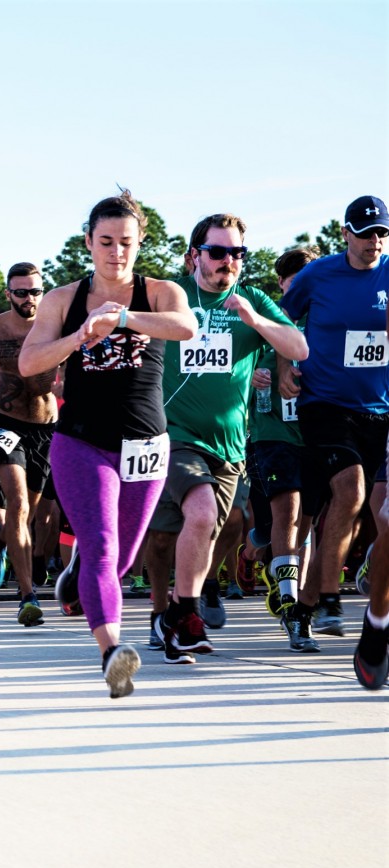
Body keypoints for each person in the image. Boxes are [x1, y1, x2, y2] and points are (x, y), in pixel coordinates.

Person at [17, 191, 197, 697]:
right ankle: (112, 651)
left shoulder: (159, 291)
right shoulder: (62, 299)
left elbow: (186, 327)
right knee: (100, 545)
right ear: (88, 243)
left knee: (119, 561)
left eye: (126, 243)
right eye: (105, 242)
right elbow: (31, 363)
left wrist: (121, 319)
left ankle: (81, 578)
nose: (116, 252)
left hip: (145, 444)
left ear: (140, 244)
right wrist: (79, 337)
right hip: (82, 442)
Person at [143, 214, 306, 662]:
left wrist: (255, 320)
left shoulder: (251, 300)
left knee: (200, 529)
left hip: (230, 444)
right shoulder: (172, 295)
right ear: (196, 255)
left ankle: (170, 617)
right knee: (182, 522)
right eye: (218, 252)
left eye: (237, 253)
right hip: (172, 434)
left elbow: (299, 348)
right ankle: (180, 616)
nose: (228, 261)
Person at [279, 195, 389, 643]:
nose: (374, 241)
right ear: (345, 233)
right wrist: (284, 365)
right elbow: (280, 320)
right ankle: (328, 601)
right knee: (350, 490)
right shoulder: (318, 274)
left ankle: (305, 606)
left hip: (380, 409)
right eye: (365, 233)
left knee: (379, 513)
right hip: (324, 404)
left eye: (381, 232)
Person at [0, 263, 59, 625]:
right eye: (21, 292)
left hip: (47, 427)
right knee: (19, 505)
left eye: (35, 291)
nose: (29, 298)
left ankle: (2, 540)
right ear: (8, 293)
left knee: (35, 514)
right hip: (6, 423)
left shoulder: (57, 326)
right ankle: (27, 596)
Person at [248, 248, 325, 642]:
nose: (302, 286)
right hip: (272, 432)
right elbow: (227, 369)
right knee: (288, 509)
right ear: (281, 284)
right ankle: (291, 601)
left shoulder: (326, 319)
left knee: (307, 521)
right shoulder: (264, 318)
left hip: (316, 431)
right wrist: (251, 380)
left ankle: (295, 595)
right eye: (294, 279)